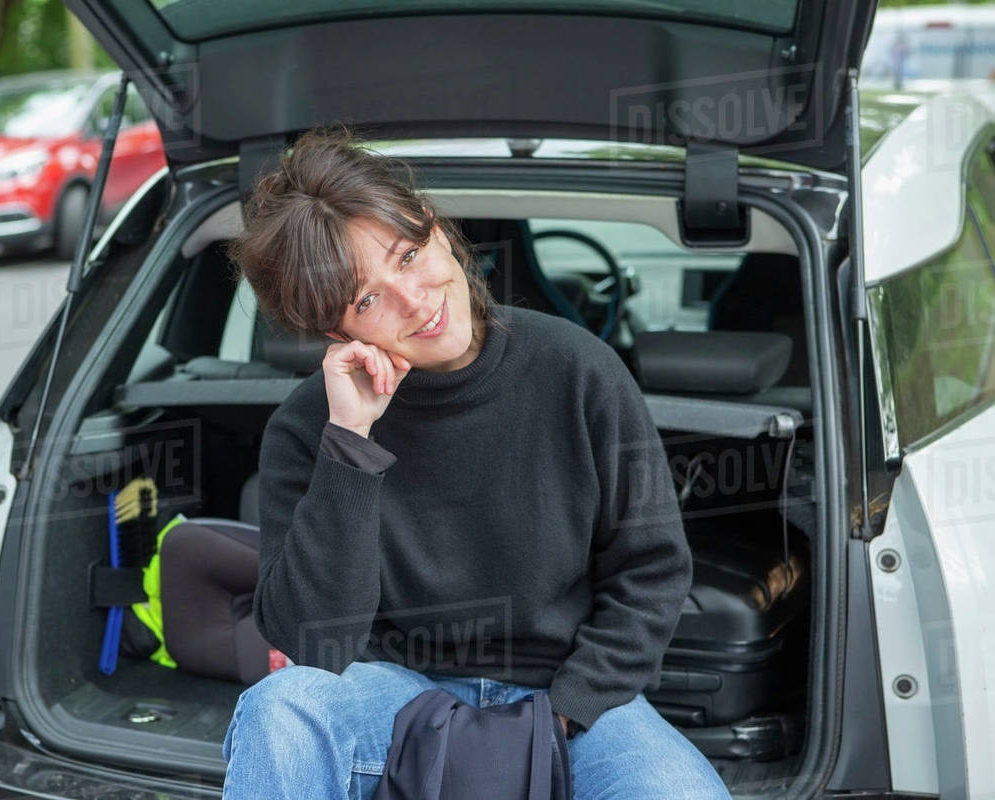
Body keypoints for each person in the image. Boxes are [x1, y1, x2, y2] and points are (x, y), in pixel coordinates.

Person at [222, 126, 730, 799]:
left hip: (573, 696)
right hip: (396, 699)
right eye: (366, 299)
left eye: (407, 256)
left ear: (437, 229)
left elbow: (652, 570)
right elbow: (316, 647)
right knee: (278, 710)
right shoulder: (309, 425)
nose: (413, 299)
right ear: (336, 333)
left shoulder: (578, 371)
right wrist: (351, 440)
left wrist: (566, 714)